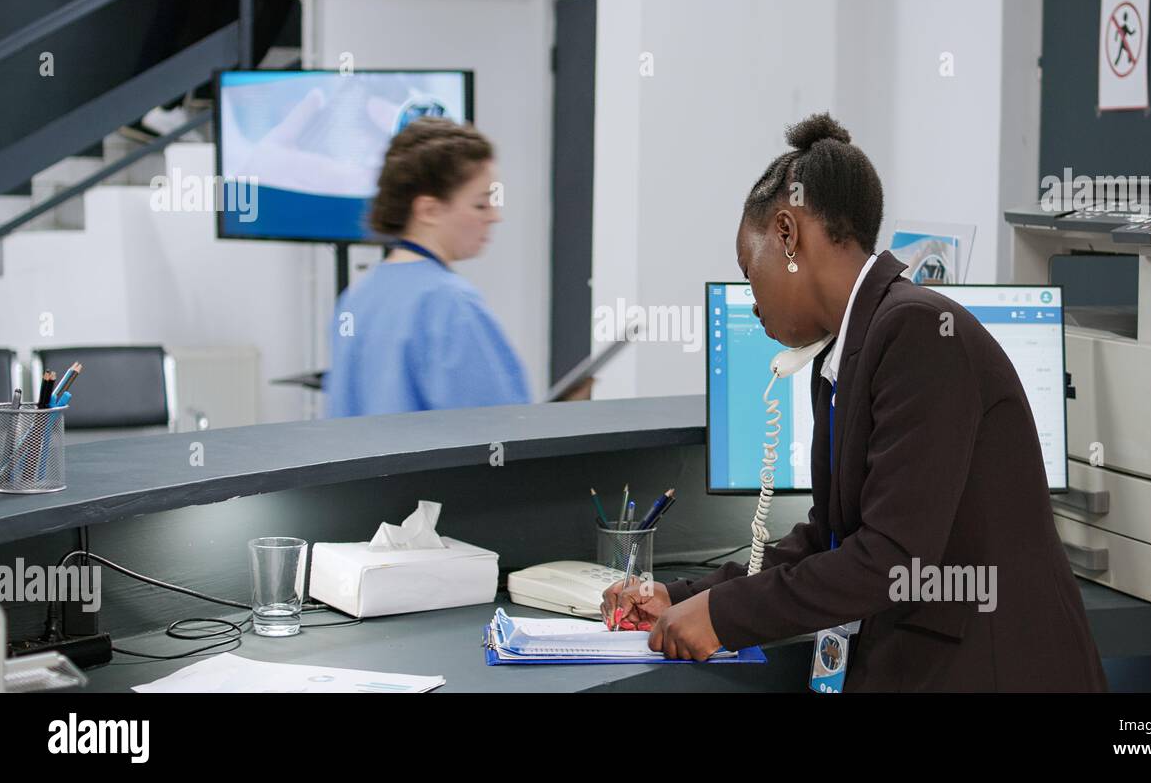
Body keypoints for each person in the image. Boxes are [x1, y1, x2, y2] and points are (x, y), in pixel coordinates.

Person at [603, 112, 1107, 692]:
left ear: (788, 235)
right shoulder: (849, 349)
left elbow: (890, 558)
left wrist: (724, 619)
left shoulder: (917, 333)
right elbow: (829, 539)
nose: (753, 300)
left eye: (750, 271)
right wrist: (687, 596)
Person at [326, 118, 530, 417]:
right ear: (429, 210)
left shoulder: (356, 298)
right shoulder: (449, 304)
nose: (495, 217)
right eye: (481, 205)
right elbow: (503, 437)